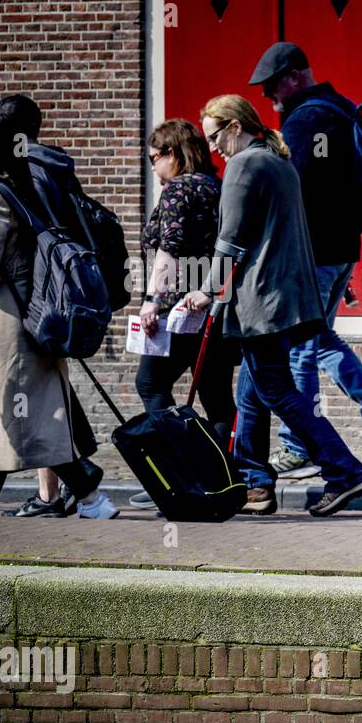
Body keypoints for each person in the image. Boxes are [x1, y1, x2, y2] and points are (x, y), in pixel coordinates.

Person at [190, 95, 362, 517]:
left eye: (215, 137)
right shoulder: (278, 161)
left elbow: (230, 240)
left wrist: (206, 291)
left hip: (262, 301)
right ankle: (256, 484)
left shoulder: (244, 165)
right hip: (285, 297)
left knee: (277, 392)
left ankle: (344, 472)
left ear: (235, 127)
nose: (213, 148)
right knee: (251, 392)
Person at [247, 42, 362, 479]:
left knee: (302, 345)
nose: (268, 96)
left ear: (296, 75)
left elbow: (304, 188)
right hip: (338, 249)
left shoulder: (312, 118)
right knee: (315, 338)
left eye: (271, 85)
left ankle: (302, 442)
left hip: (314, 252)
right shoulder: (338, 109)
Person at [0, 111, 119, 518]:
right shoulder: (29, 186)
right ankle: (86, 496)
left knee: (17, 416)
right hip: (40, 313)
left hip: (6, 320)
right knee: (22, 415)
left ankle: (87, 490)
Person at [127, 119, 238, 510]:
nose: (154, 167)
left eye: (156, 158)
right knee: (218, 400)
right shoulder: (219, 188)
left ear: (175, 153)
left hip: (178, 307)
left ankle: (178, 473)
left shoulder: (178, 191)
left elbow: (169, 250)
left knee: (150, 385)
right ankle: (219, 479)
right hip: (215, 306)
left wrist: (152, 299)